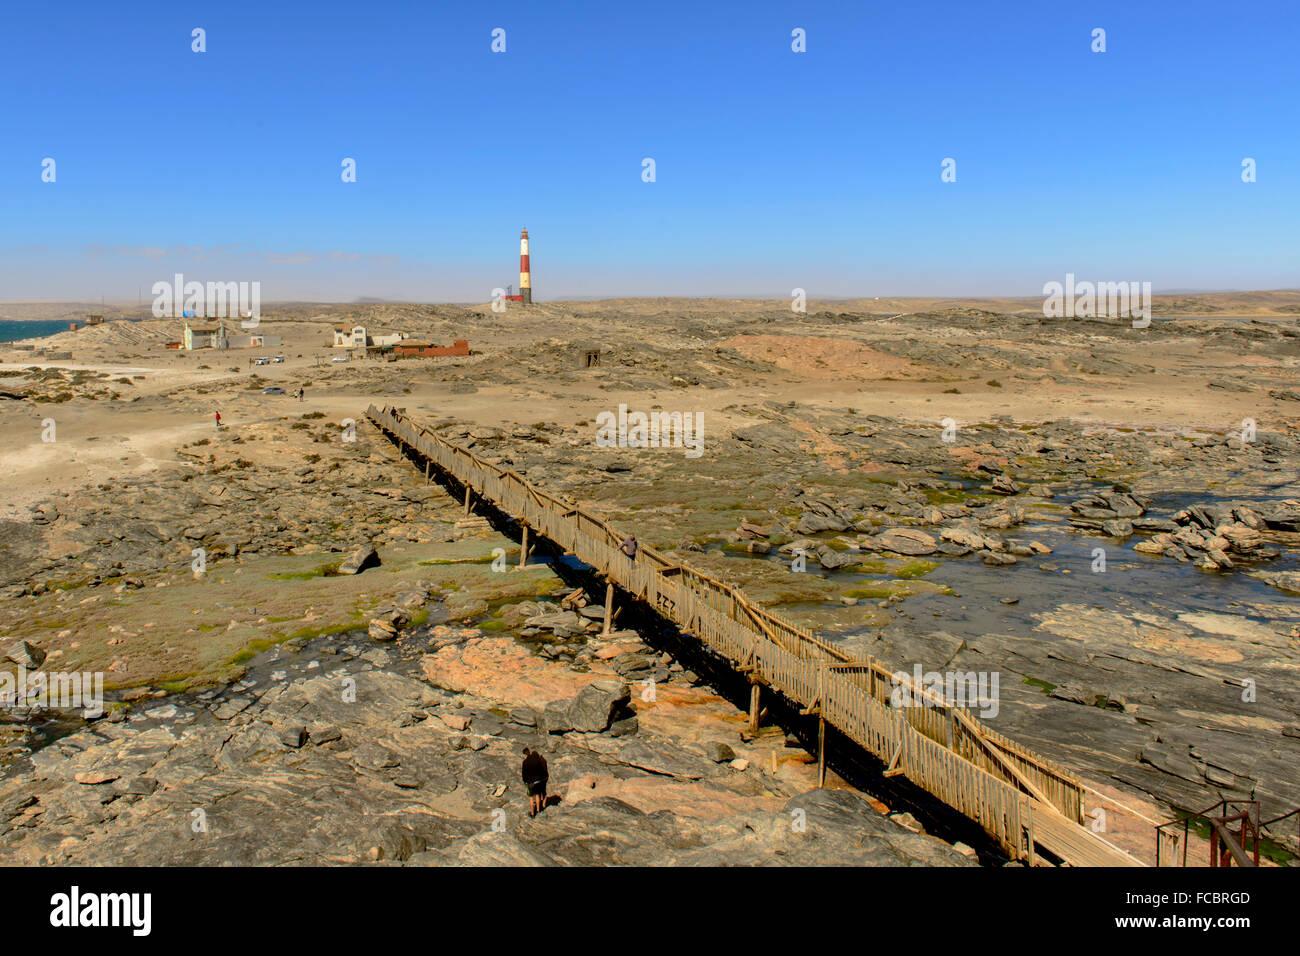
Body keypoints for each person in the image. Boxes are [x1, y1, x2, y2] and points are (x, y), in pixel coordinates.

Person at [522, 747, 549, 817]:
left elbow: (524, 774)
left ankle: (532, 813)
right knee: (537, 795)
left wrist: (525, 781)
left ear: (524, 755)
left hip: (530, 782)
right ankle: (538, 809)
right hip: (538, 780)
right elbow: (541, 770)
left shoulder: (525, 762)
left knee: (531, 797)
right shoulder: (537, 760)